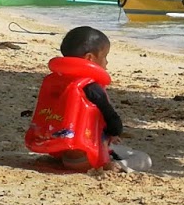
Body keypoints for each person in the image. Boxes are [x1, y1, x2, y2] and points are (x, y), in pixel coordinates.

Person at [23, 26, 151, 172]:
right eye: (104, 56)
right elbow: (114, 123)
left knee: (122, 148)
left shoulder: (56, 83)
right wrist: (113, 133)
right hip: (88, 159)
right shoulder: (91, 87)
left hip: (64, 154)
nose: (106, 63)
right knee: (144, 159)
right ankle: (115, 167)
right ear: (89, 58)